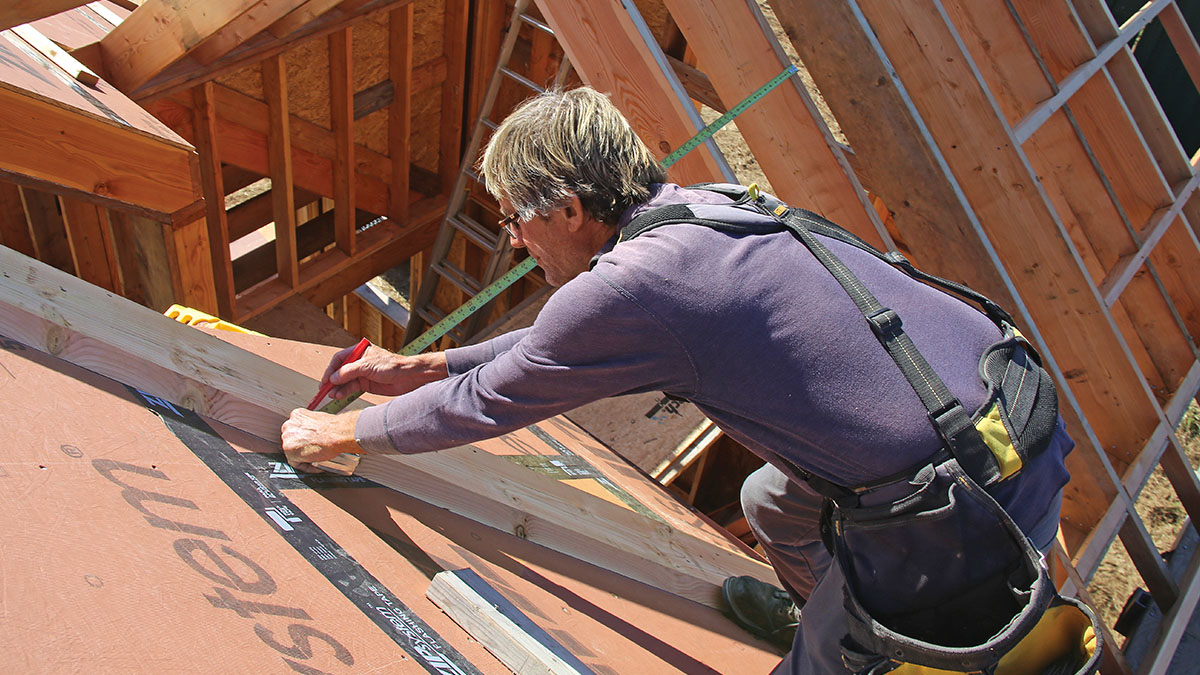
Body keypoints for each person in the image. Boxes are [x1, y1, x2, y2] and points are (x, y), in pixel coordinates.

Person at [282, 87, 1076, 673]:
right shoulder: (700, 208)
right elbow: (558, 341)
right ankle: (819, 604)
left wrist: (337, 430)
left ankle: (848, 642)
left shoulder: (628, 288)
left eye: (514, 219)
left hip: (965, 499)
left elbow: (490, 401)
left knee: (821, 667)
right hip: (1002, 396)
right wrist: (421, 365)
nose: (516, 241)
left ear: (568, 208)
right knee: (770, 499)